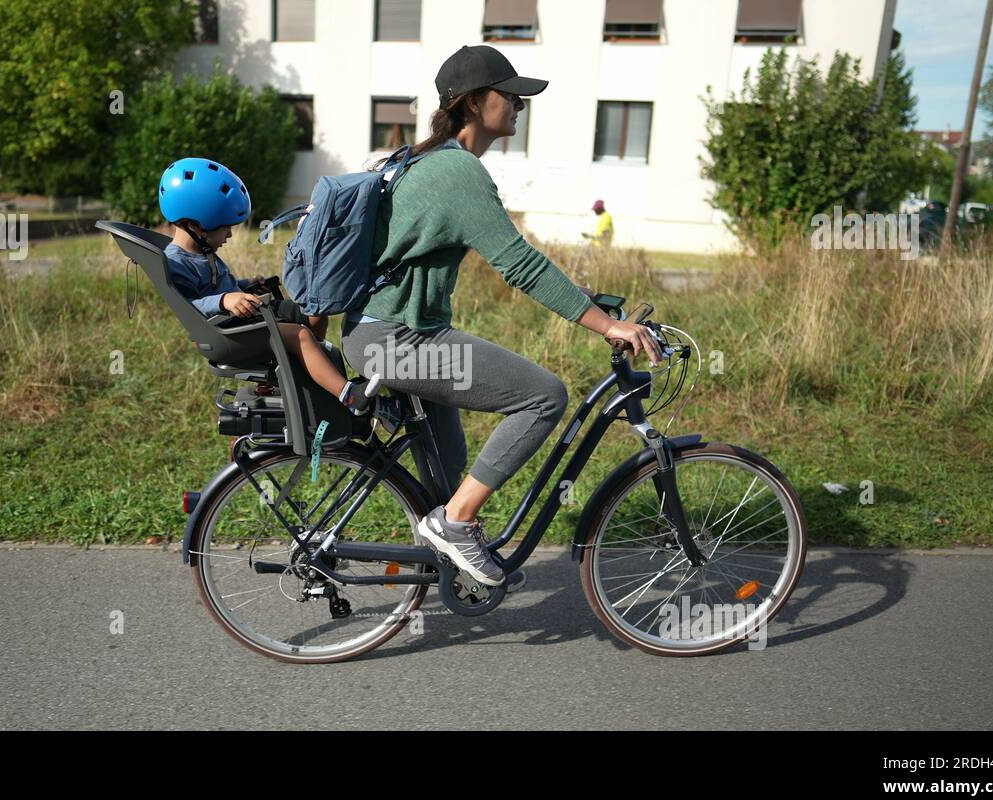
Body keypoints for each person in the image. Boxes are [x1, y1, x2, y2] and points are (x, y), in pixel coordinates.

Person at [339, 45, 662, 587]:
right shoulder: (456, 172)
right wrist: (607, 327)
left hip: (385, 334)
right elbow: (520, 265)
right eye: (509, 95)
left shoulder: (430, 162)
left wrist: (587, 299)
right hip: (393, 341)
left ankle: (442, 550)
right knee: (542, 396)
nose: (519, 105)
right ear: (472, 103)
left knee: (451, 465)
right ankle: (457, 524)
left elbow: (510, 257)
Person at [158, 158, 398, 426]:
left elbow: (219, 286)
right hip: (225, 335)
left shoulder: (203, 250)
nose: (229, 234)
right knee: (300, 336)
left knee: (315, 312)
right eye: (224, 226)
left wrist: (244, 285)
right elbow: (190, 306)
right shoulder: (176, 262)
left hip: (242, 321)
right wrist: (226, 300)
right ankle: (349, 397)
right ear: (196, 225)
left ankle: (308, 377)